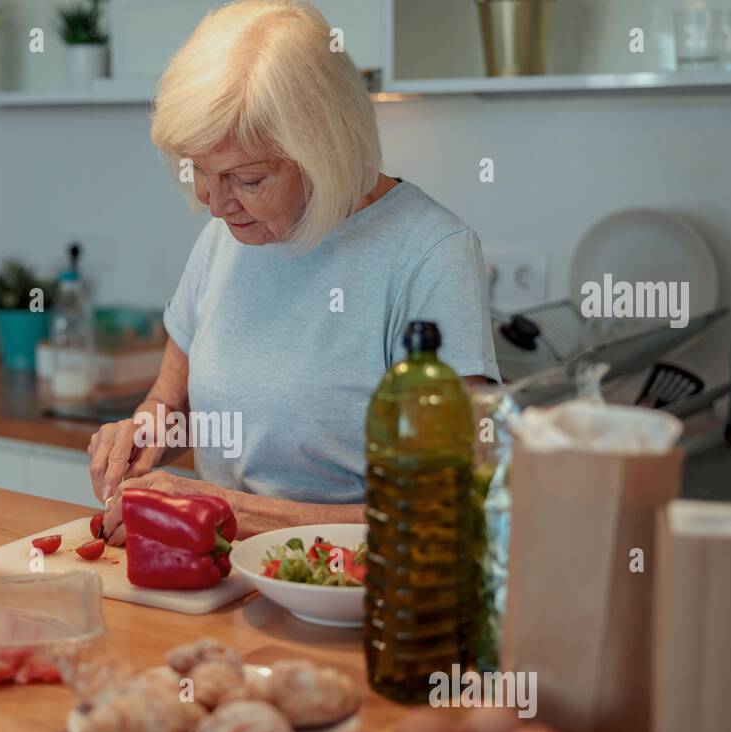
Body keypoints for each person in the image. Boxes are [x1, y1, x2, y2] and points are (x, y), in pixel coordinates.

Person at [89, 0, 498, 542]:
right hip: (219, 584)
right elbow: (174, 404)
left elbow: (447, 508)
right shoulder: (226, 236)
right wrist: (142, 434)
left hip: (353, 602)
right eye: (201, 174)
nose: (215, 204)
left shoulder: (431, 253)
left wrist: (222, 508)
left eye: (248, 179)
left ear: (324, 150)